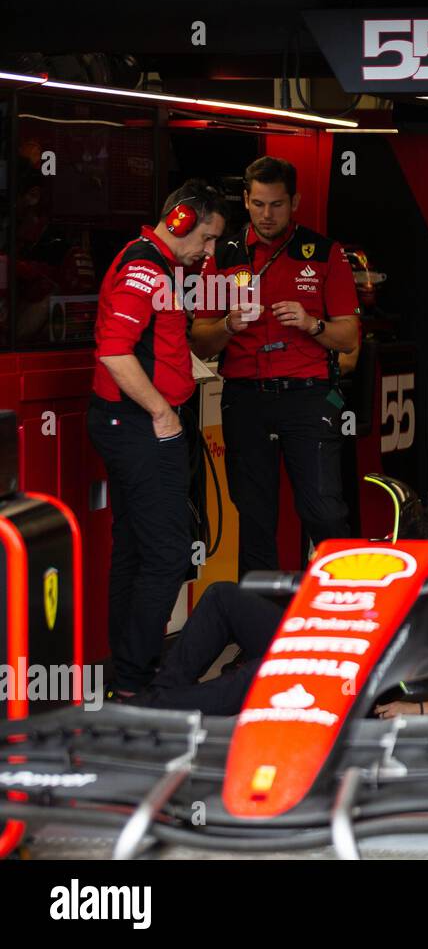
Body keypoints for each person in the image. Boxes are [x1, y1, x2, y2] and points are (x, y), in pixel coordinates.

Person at [131, 507, 428, 716]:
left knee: (261, 676)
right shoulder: (381, 553)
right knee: (223, 596)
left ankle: (148, 709)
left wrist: (414, 711)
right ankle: (165, 697)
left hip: (353, 677)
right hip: (316, 633)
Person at [190, 156, 360, 577]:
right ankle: (258, 630)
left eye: (278, 204)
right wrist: (229, 325)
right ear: (246, 200)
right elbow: (200, 339)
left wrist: (310, 323)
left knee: (324, 511)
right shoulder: (223, 255)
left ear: (295, 201)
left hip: (309, 396)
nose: (267, 215)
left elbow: (349, 337)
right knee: (254, 516)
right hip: (246, 399)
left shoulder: (325, 253)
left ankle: (346, 611)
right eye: (259, 204)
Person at [90, 180, 226, 697]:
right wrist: (162, 413)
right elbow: (114, 352)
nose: (209, 251)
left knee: (133, 549)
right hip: (141, 428)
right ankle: (137, 679)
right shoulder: (145, 268)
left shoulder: (162, 265)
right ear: (181, 221)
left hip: (127, 424)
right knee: (169, 555)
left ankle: (127, 678)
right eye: (207, 238)